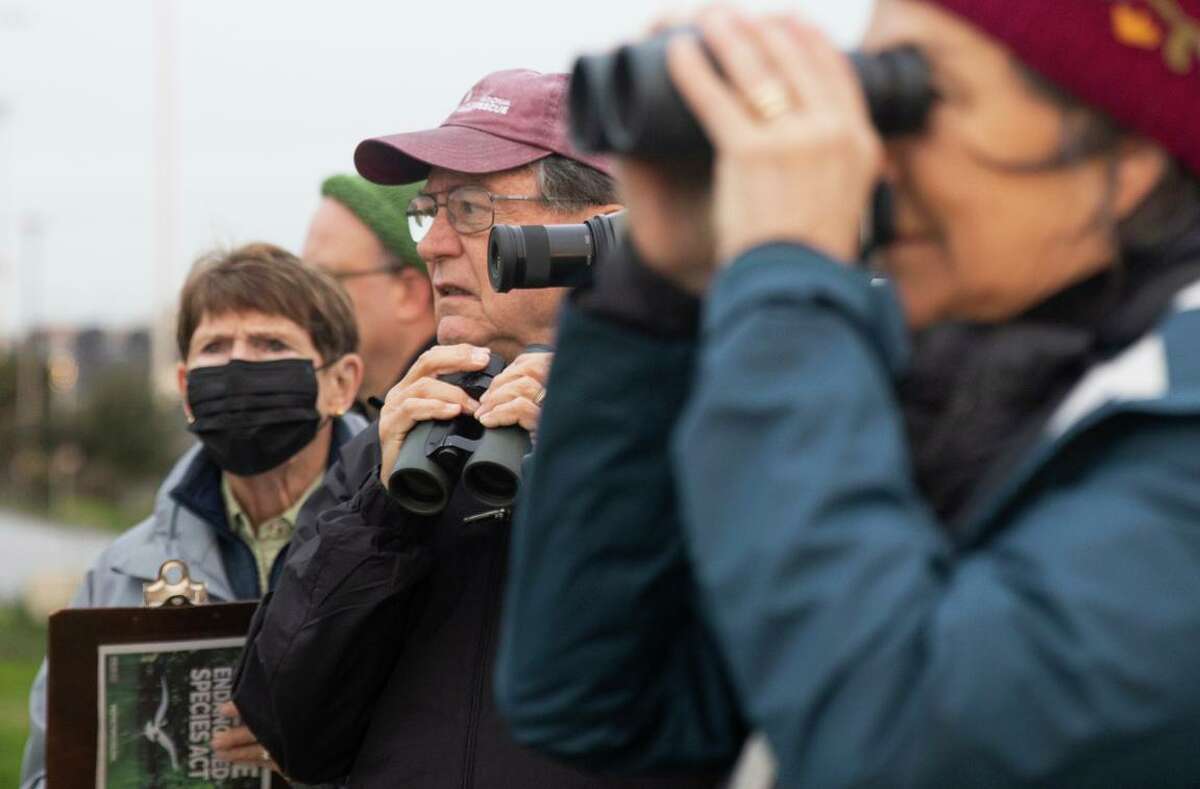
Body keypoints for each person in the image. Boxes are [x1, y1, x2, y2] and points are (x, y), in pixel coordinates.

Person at [496, 2, 1200, 787]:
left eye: (913, 97)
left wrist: (786, 277)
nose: (868, 155)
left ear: (1126, 147)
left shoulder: (1174, 425)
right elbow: (595, 698)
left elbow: (909, 746)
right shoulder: (948, 385)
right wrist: (658, 300)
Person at [229, 69, 724, 788]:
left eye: (468, 208)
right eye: (429, 211)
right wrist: (382, 514)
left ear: (608, 229)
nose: (431, 245)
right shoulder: (400, 441)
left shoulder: (708, 424)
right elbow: (287, 727)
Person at [18, 243, 367, 788]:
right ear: (185, 388)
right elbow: (50, 771)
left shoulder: (397, 549)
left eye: (271, 342)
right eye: (216, 345)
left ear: (340, 383)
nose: (238, 365)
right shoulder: (121, 572)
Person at [303, 174, 436, 414]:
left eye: (326, 280)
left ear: (409, 292)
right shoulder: (342, 420)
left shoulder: (458, 423)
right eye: (303, 279)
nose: (302, 300)